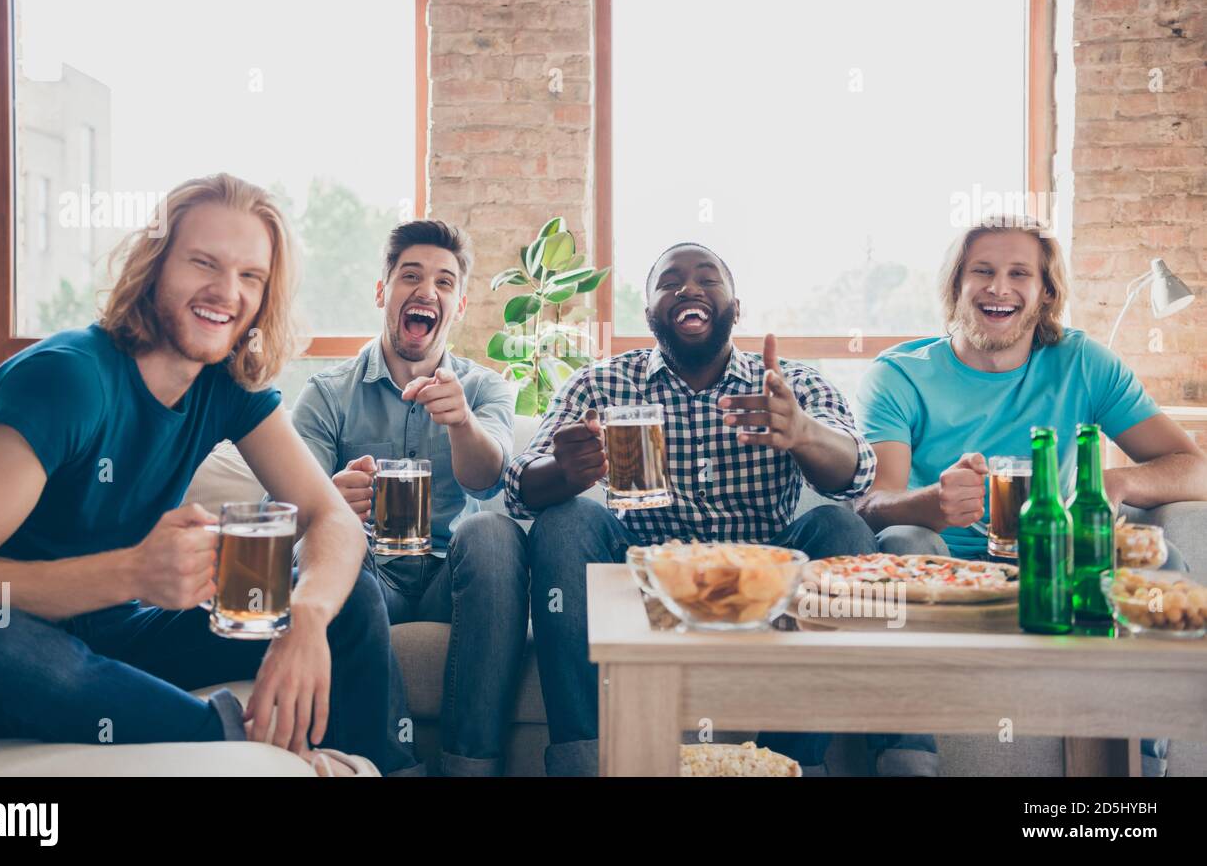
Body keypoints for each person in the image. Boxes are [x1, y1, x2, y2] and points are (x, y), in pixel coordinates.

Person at [0, 173, 419, 776]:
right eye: (203, 263)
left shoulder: (225, 384)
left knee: (345, 594)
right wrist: (130, 572)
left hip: (123, 640)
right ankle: (233, 740)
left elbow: (329, 514)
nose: (226, 292)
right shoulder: (66, 381)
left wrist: (304, 618)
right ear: (154, 266)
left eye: (250, 276)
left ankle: (383, 769)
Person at [506, 242, 879, 776]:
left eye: (708, 278)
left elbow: (858, 474)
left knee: (843, 528)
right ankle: (583, 762)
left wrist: (803, 433)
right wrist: (563, 471)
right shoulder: (601, 382)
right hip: (641, 573)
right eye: (670, 281)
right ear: (649, 311)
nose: (689, 288)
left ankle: (791, 764)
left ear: (735, 306)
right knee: (565, 521)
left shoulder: (786, 384)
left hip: (765, 577)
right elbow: (519, 488)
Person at [855, 213, 1207, 776]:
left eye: (1020, 273)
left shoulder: (1082, 362)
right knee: (902, 536)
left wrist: (1113, 482)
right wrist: (932, 503)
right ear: (956, 287)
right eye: (982, 272)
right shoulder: (899, 373)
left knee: (1161, 558)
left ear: (1045, 293)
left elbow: (1196, 467)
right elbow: (872, 504)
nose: (999, 287)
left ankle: (1136, 765)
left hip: (1060, 565)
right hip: (946, 573)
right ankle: (909, 759)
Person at [292, 219, 529, 777]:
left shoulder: (485, 388)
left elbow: (488, 479)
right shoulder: (327, 395)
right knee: (334, 557)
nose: (427, 292)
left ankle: (471, 765)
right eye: (411, 276)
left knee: (492, 533)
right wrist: (328, 499)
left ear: (460, 305)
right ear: (383, 291)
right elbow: (282, 513)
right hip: (372, 572)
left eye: (445, 283)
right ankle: (390, 768)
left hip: (453, 578)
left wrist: (462, 422)